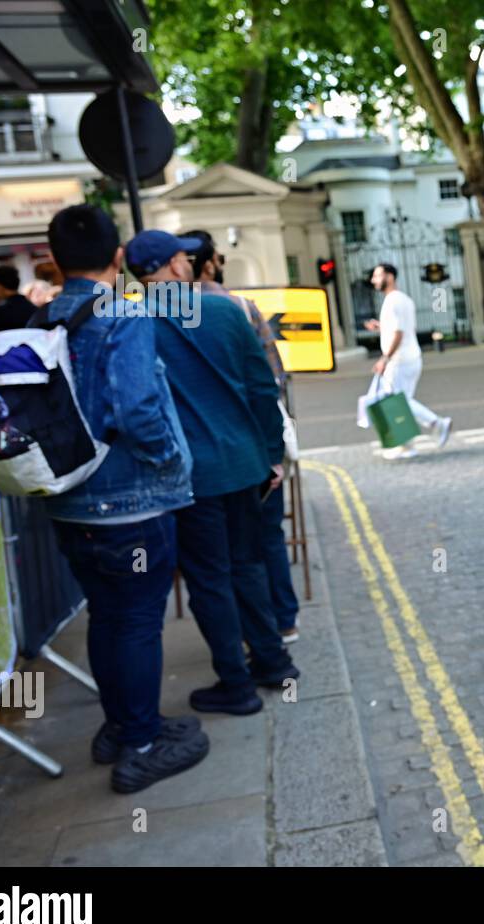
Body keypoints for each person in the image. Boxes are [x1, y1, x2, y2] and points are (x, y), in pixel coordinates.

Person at [39, 205, 208, 794]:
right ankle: (140, 741)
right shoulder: (122, 315)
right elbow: (137, 408)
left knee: (107, 618)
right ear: (118, 258)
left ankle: (118, 725)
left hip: (68, 502)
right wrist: (166, 460)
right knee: (138, 622)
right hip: (130, 504)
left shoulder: (46, 317)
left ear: (55, 259)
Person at [126, 229, 298, 716]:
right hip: (245, 462)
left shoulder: (134, 319)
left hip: (189, 475)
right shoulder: (227, 310)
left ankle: (236, 684)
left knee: (208, 578)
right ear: (176, 265)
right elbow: (263, 387)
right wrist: (272, 453)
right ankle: (273, 661)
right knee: (247, 564)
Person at [181, 229, 300, 645]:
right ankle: (282, 621)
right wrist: (272, 448)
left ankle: (245, 637)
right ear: (212, 261)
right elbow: (274, 377)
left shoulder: (164, 314)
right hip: (251, 445)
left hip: (202, 457)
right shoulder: (239, 308)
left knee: (218, 559)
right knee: (266, 537)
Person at [360, 264, 451, 460]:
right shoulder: (404, 300)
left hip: (399, 360)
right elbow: (401, 328)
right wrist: (381, 327)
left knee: (398, 401)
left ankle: (436, 423)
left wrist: (385, 358)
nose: (374, 280)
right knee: (400, 402)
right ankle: (406, 446)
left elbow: (399, 334)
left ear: (390, 277)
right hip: (410, 357)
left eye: (377, 276)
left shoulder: (392, 302)